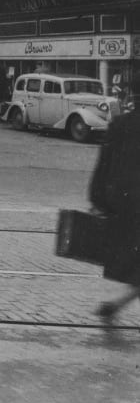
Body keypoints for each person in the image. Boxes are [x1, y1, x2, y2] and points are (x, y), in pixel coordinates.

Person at [89, 105, 140, 325]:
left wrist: (96, 197)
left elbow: (103, 163)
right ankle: (118, 304)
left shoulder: (119, 124)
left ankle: (118, 304)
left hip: (124, 203)